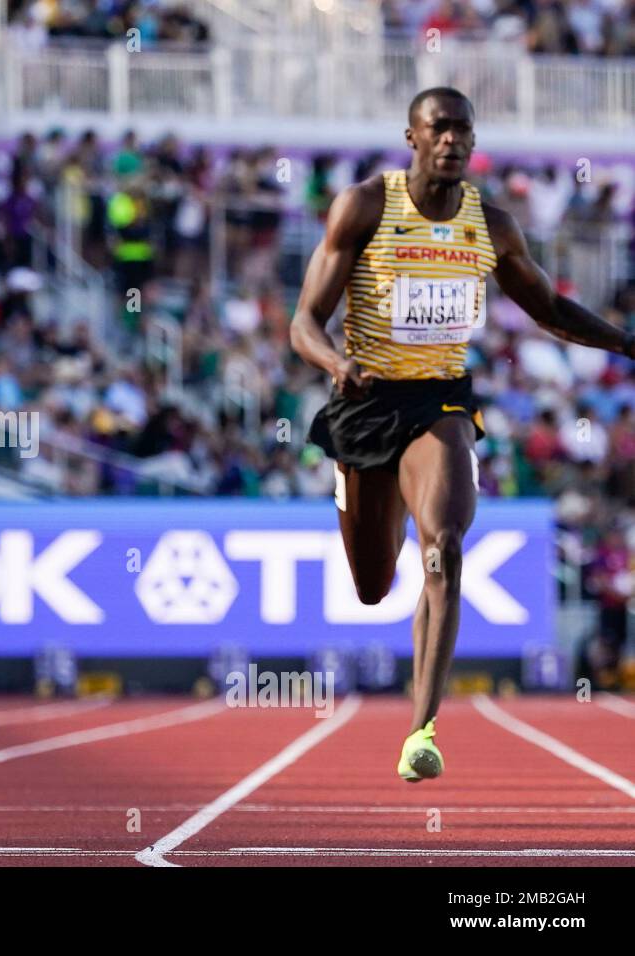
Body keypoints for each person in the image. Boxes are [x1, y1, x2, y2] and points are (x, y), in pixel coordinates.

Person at [292, 87, 635, 782]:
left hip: (441, 404)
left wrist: (627, 343)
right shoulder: (363, 207)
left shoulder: (493, 226)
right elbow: (303, 320)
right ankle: (371, 513)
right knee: (370, 584)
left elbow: (552, 311)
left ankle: (421, 727)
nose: (451, 140)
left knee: (444, 545)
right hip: (364, 404)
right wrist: (336, 362)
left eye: (463, 131)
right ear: (412, 137)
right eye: (438, 128)